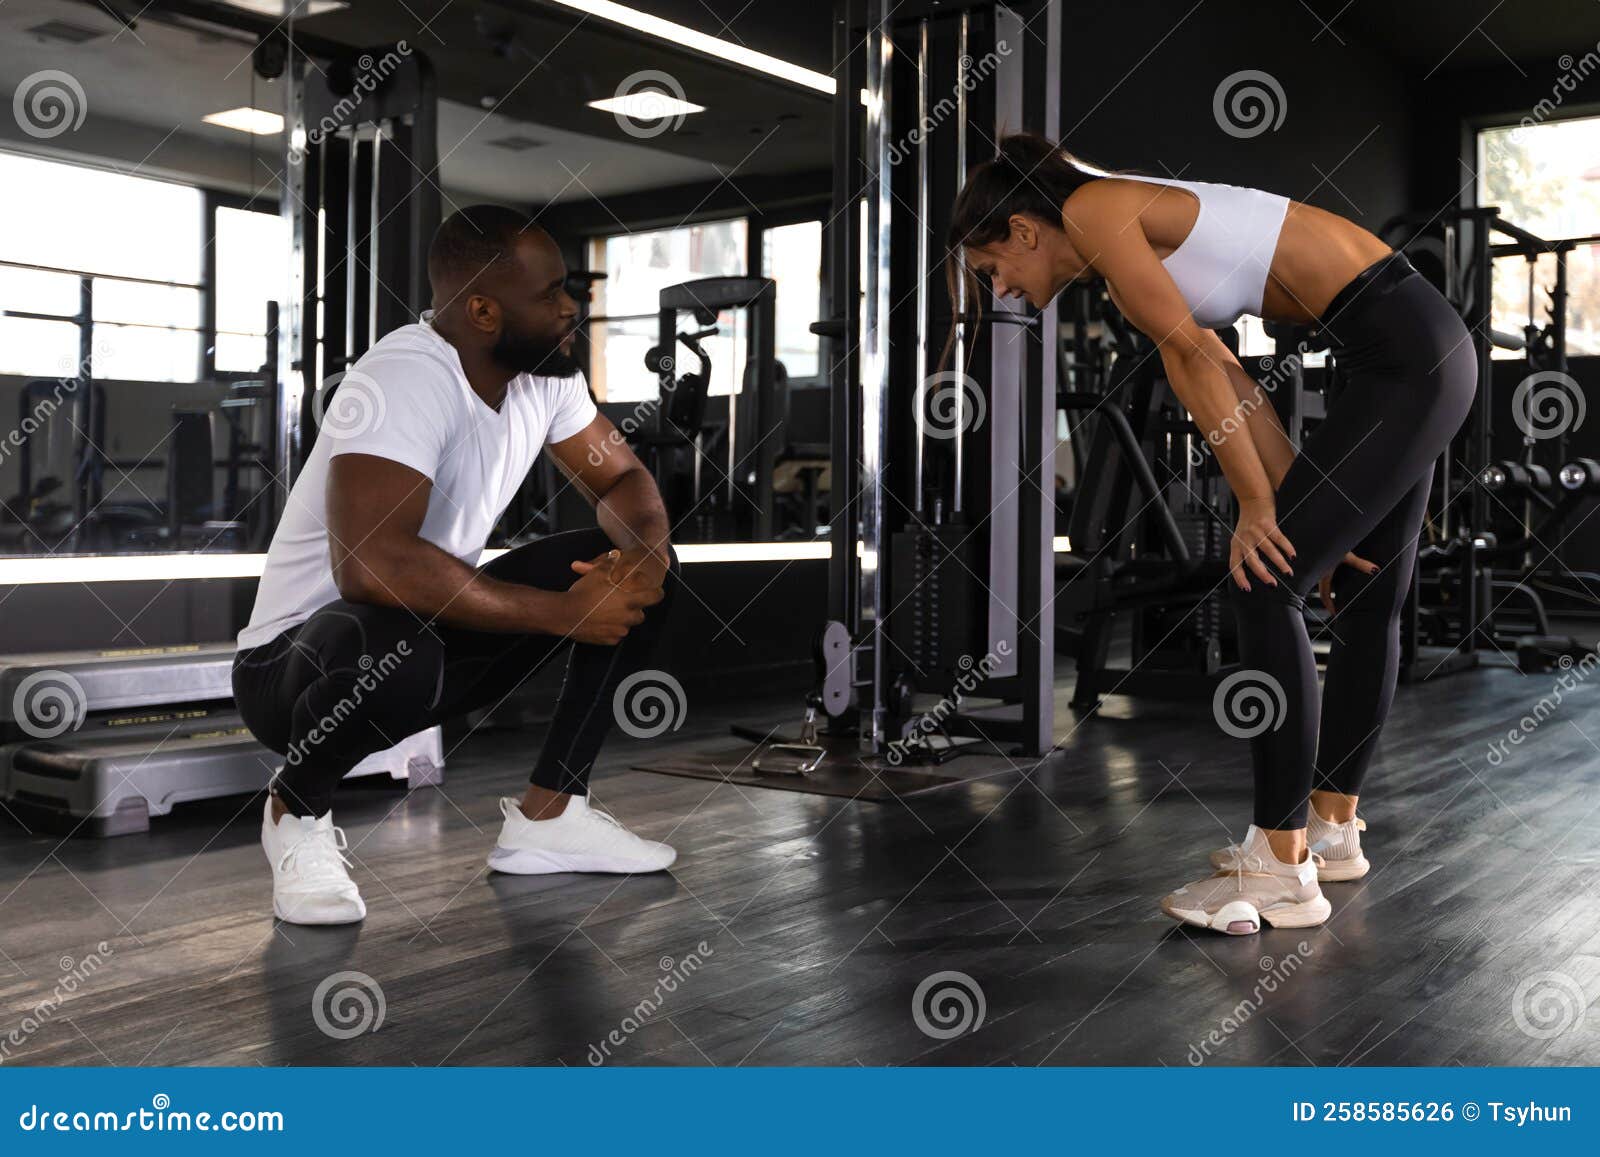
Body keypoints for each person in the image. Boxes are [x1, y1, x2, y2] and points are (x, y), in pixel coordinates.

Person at [948, 134, 1476, 935]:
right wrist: (1300, 504)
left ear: (1023, 230)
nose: (1007, 290)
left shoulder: (1094, 209)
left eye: (994, 270)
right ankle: (1329, 833)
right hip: (1414, 350)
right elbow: (1226, 373)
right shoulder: (1119, 229)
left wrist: (1261, 512)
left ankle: (1281, 866)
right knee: (1361, 589)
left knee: (1264, 581)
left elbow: (1193, 355)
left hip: (1403, 356)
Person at [233, 205, 680, 925]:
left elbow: (622, 481)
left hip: (419, 637)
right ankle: (296, 810)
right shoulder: (406, 376)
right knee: (383, 638)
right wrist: (565, 613)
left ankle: (550, 815)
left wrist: (644, 559)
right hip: (294, 667)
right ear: (481, 310)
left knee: (626, 564)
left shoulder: (547, 377)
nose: (572, 308)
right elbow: (367, 566)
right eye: (551, 295)